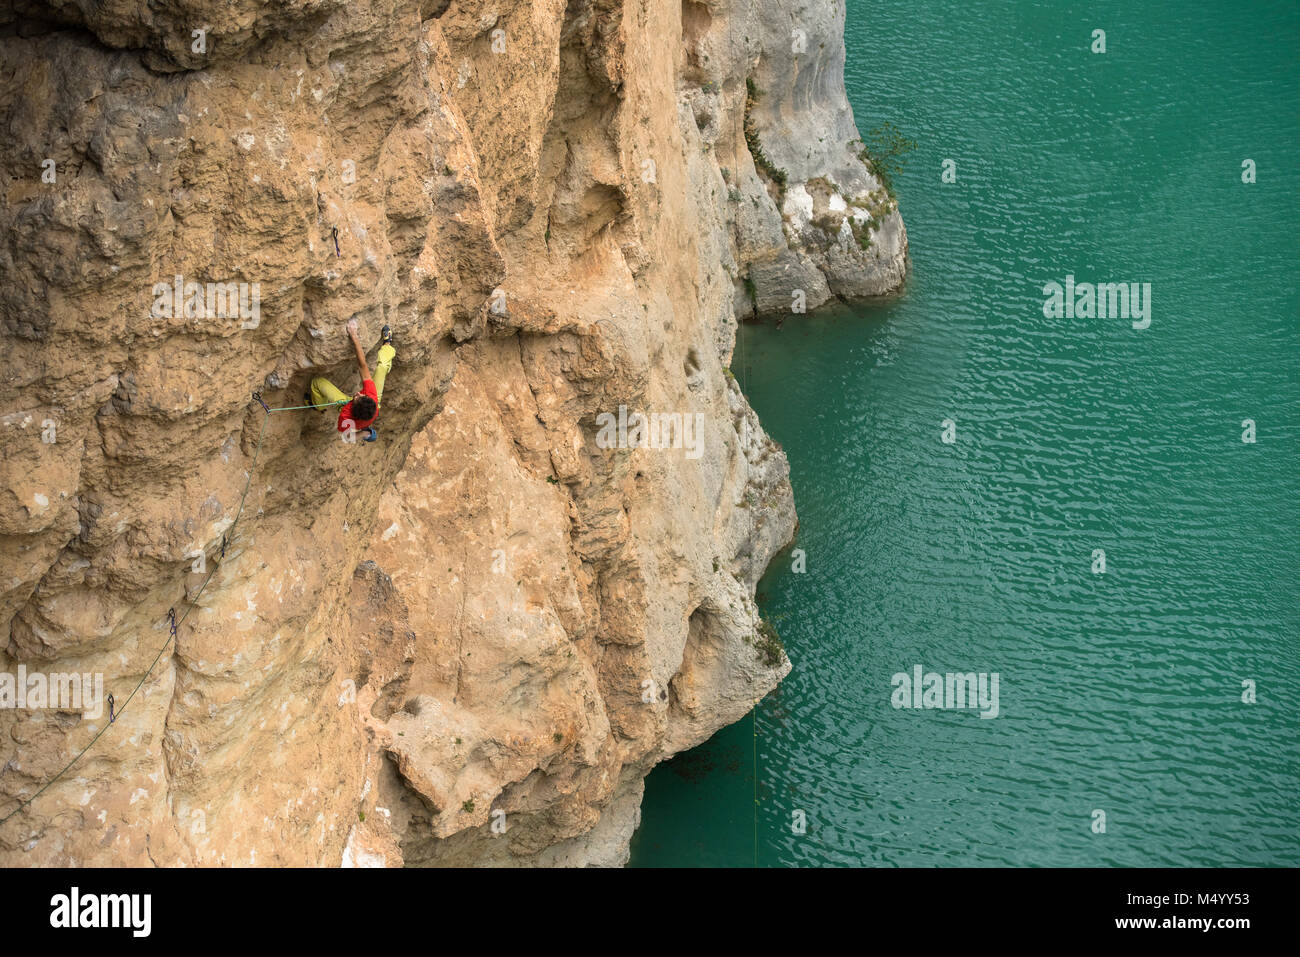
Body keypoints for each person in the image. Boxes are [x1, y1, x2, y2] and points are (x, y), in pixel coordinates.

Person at [308, 319, 395, 438]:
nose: (358, 393)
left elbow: (346, 436)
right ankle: (387, 344)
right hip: (370, 404)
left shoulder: (345, 416)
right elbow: (362, 365)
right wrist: (354, 335)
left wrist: (363, 433)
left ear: (352, 407)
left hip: (348, 407)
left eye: (357, 397)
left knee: (317, 382)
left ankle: (319, 406)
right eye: (361, 395)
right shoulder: (371, 396)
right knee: (382, 367)